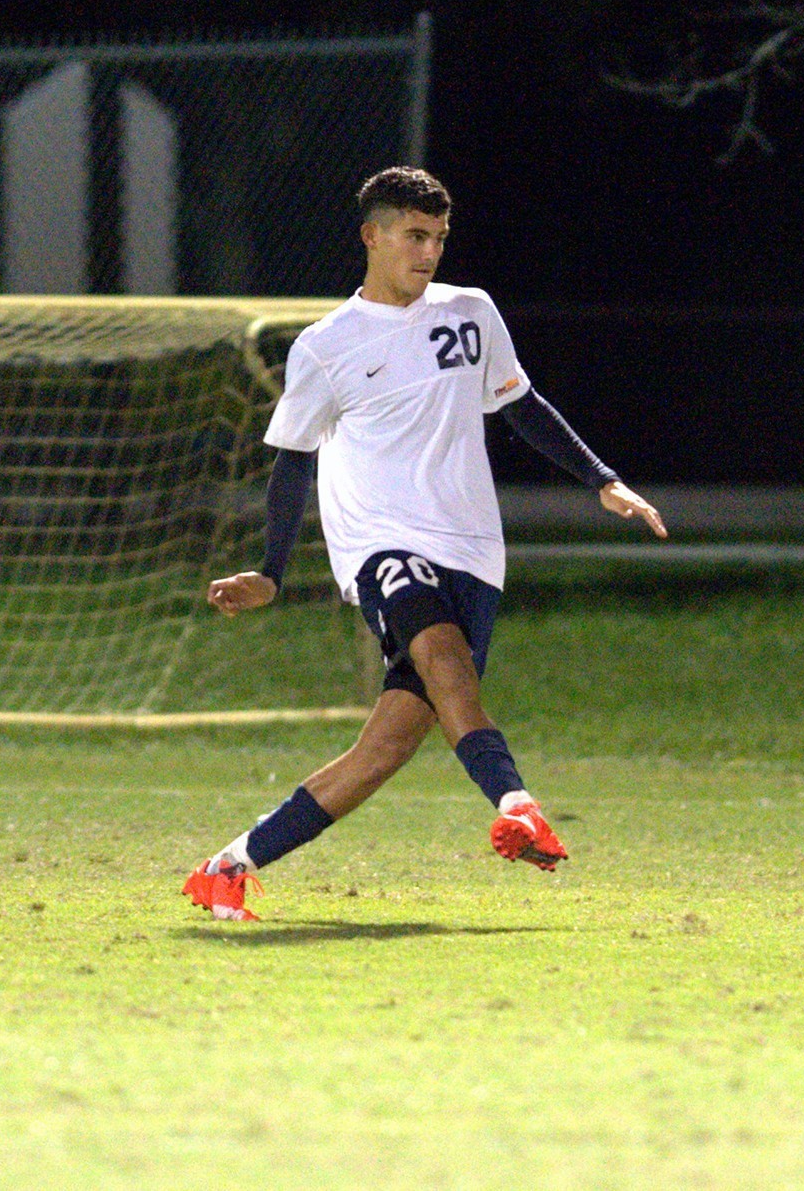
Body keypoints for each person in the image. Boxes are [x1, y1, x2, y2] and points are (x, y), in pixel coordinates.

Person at [183, 165, 666, 921]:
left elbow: (522, 404)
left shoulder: (471, 311)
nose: (429, 251)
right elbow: (294, 461)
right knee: (444, 659)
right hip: (381, 544)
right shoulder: (325, 346)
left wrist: (602, 479)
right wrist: (273, 571)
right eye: (414, 235)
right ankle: (517, 804)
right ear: (372, 236)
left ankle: (228, 865)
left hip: (474, 550)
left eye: (438, 237)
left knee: (386, 749)